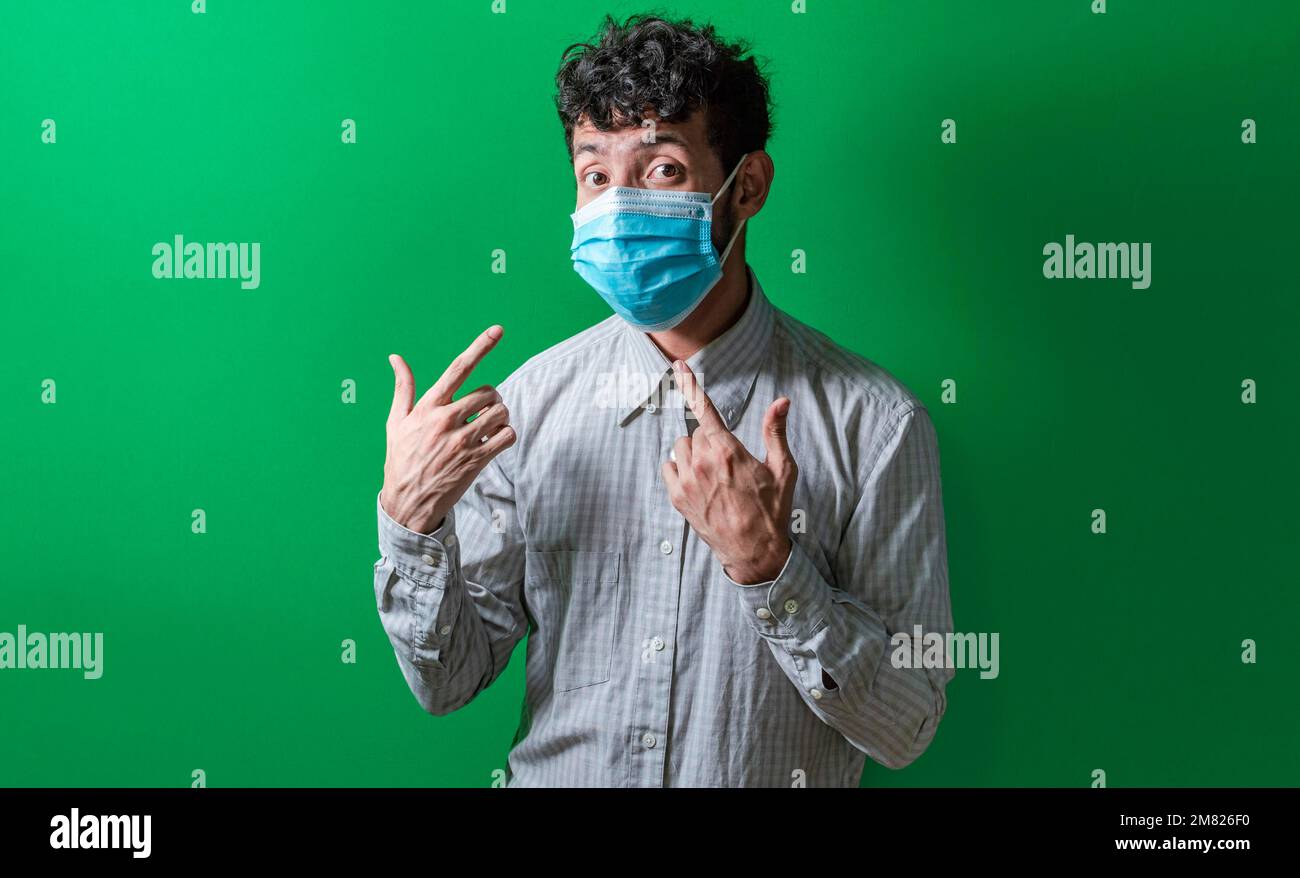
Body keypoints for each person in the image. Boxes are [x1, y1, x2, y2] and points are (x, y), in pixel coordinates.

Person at [373, 13, 955, 787]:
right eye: (595, 175)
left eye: (663, 170)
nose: (618, 205)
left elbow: (908, 724)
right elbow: (446, 682)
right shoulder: (531, 408)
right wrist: (412, 526)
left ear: (745, 186)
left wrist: (772, 570)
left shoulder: (875, 425)